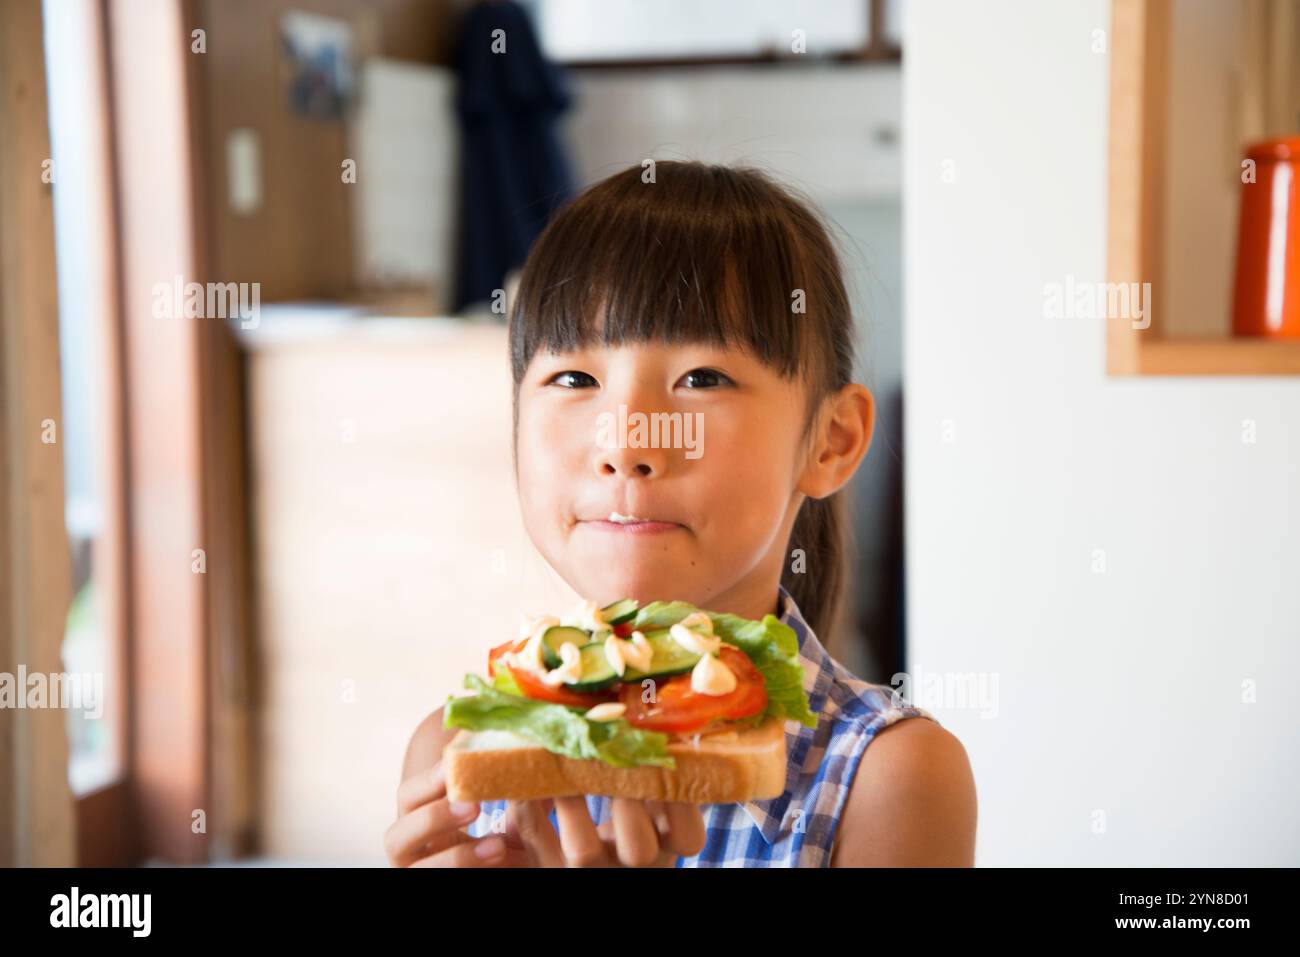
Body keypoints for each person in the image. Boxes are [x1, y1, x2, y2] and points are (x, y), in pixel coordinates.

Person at [385, 161, 977, 867]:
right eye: (573, 378)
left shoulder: (892, 776)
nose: (627, 445)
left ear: (832, 439)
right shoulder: (451, 754)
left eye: (703, 378)